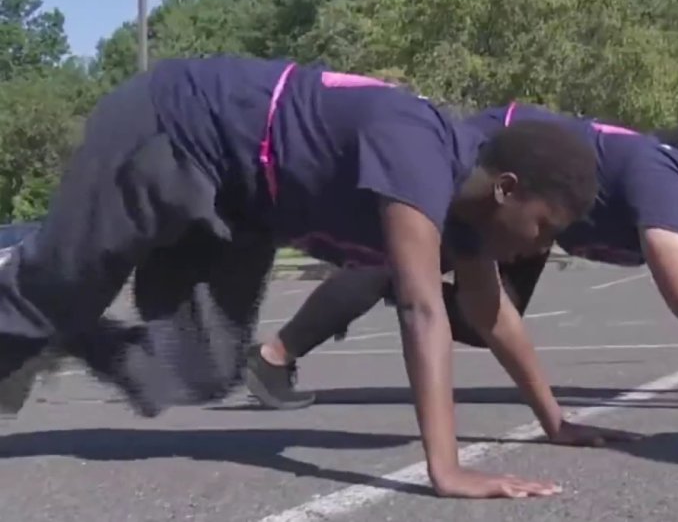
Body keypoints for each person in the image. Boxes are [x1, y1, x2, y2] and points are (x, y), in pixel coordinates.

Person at [0, 57, 603, 500]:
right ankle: (34, 303)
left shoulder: (472, 214)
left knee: (201, 371)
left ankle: (60, 331)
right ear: (507, 190)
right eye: (545, 227)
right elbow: (422, 308)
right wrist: (446, 470)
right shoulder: (419, 151)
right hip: (172, 128)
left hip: (241, 207)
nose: (542, 245)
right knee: (53, 293)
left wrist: (555, 422)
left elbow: (492, 316)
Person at [245, 103, 678, 417]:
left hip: (541, 218)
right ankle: (273, 356)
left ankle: (404, 289)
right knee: (396, 259)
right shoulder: (666, 184)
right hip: (506, 177)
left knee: (483, 315)